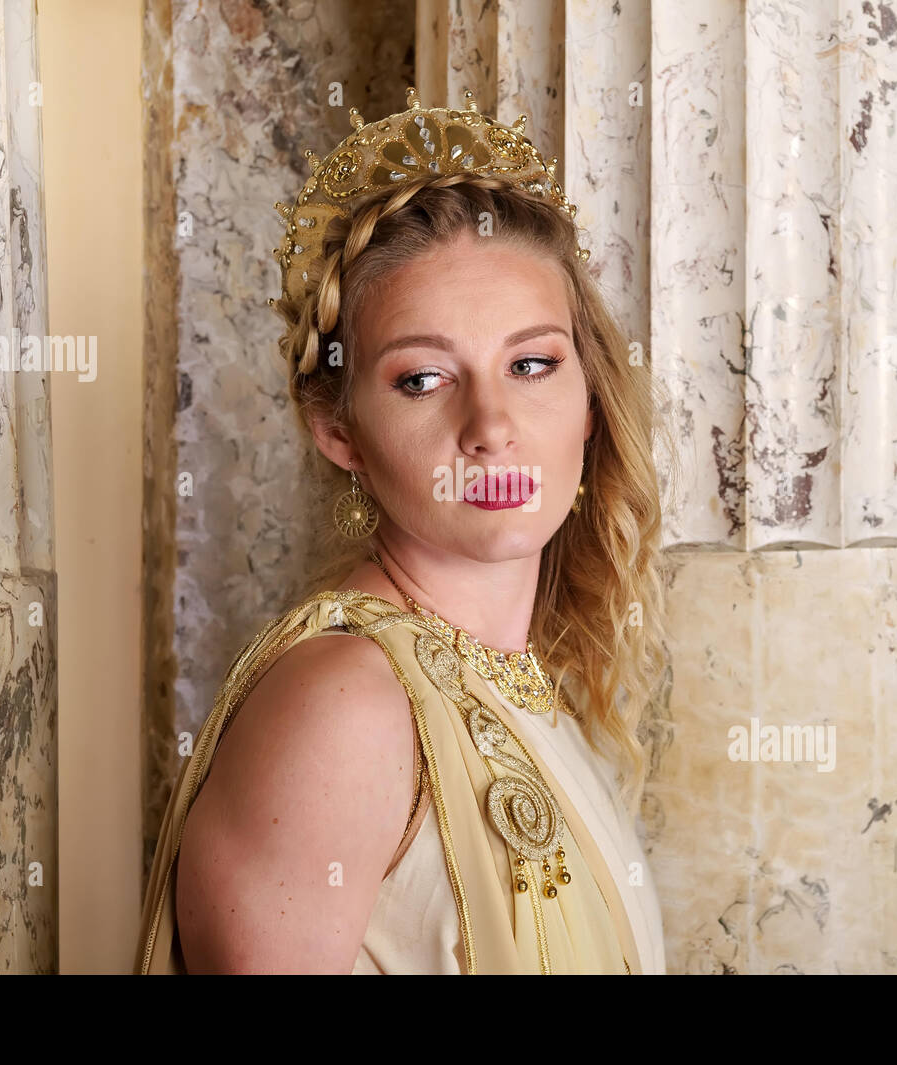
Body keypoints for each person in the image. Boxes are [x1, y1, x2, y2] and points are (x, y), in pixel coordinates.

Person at [135, 87, 676, 974]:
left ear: (589, 400)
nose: (491, 425)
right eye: (423, 379)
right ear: (340, 431)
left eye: (531, 363)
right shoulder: (343, 709)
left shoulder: (529, 678)